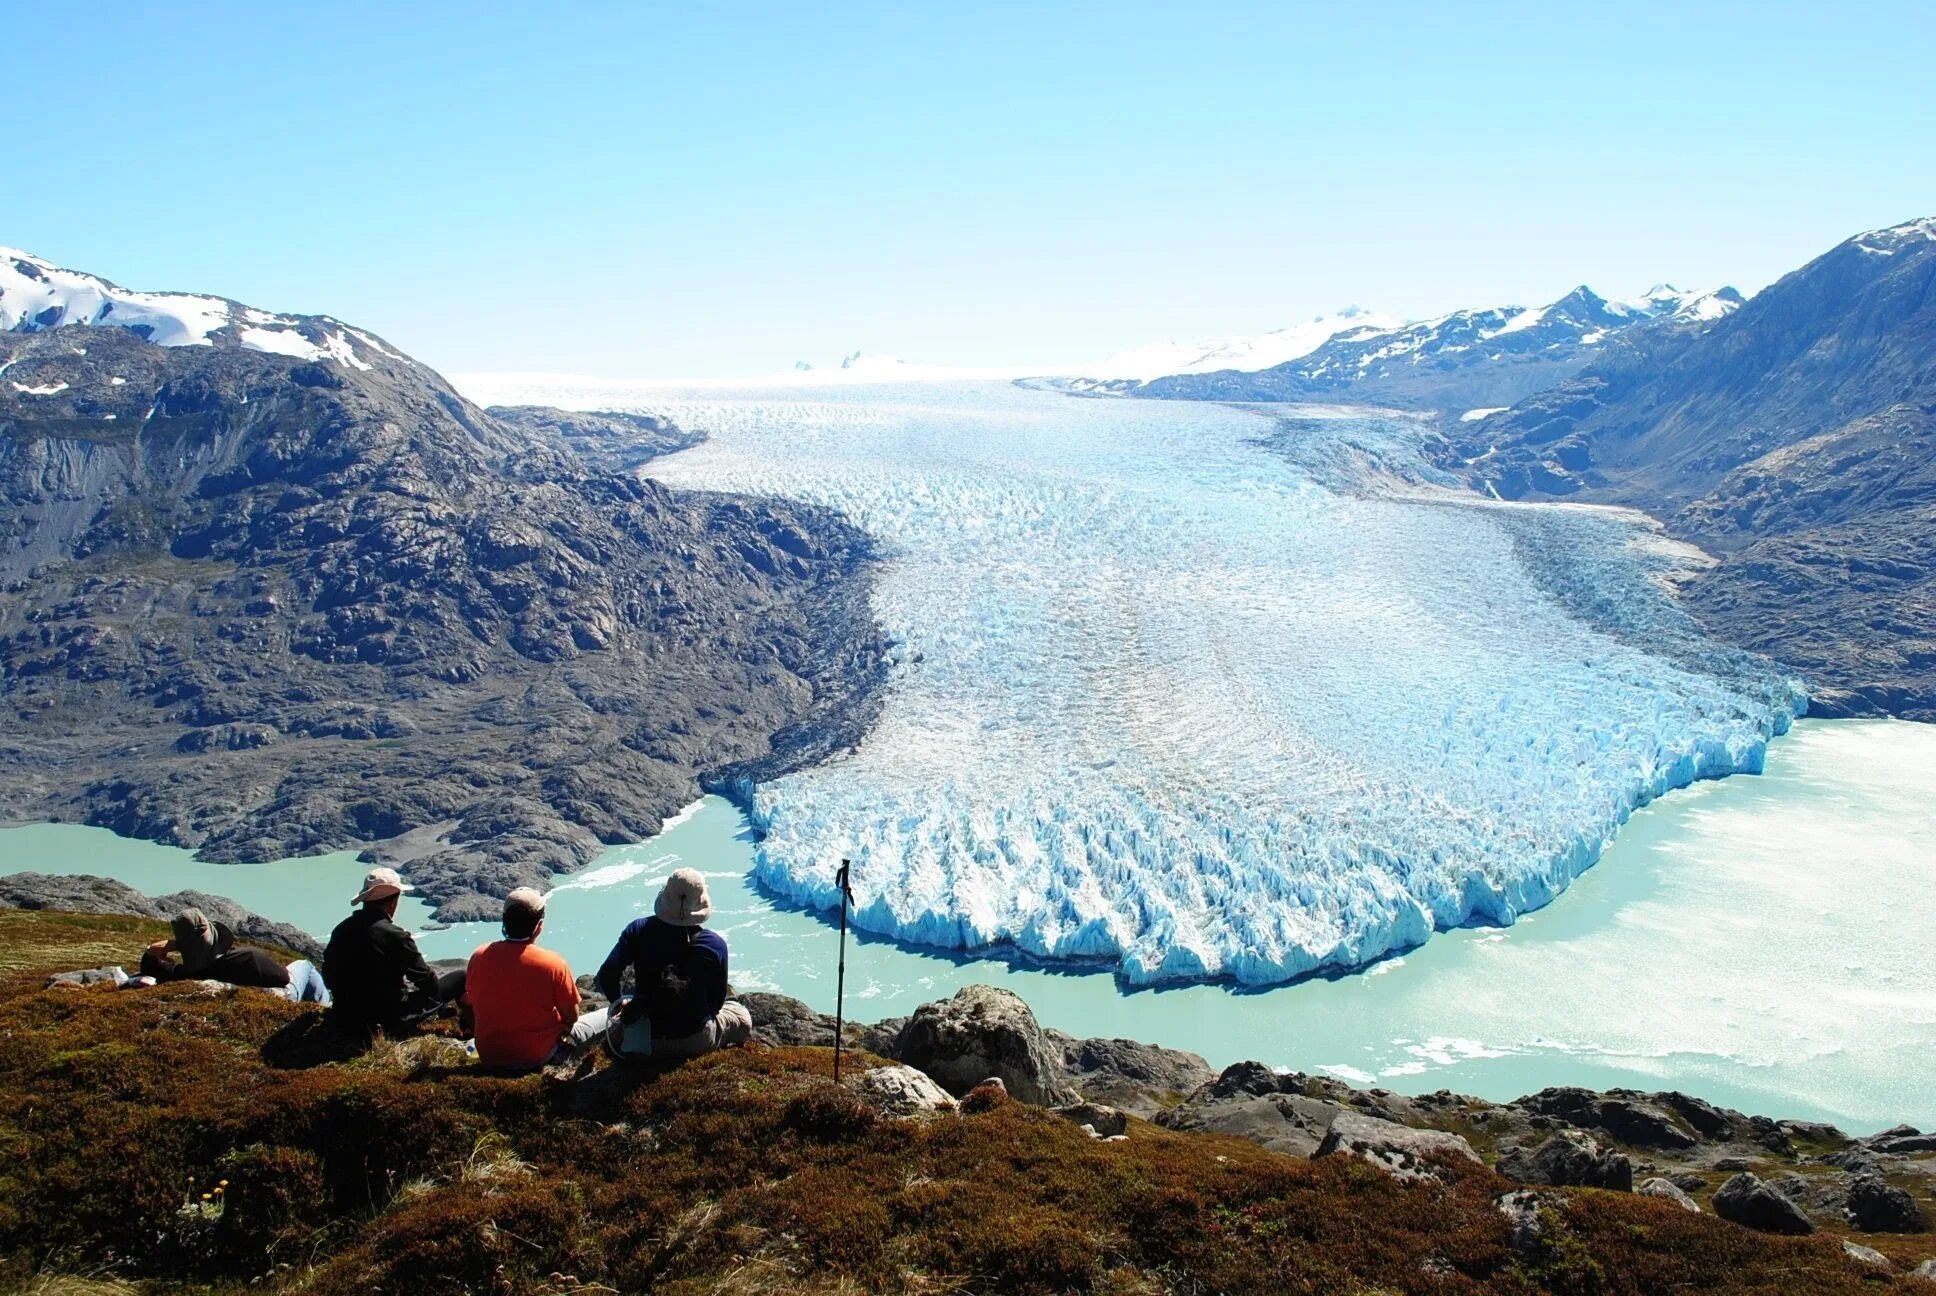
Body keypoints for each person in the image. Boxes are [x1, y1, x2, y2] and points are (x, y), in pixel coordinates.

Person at [567, 868, 752, 1061]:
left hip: (645, 1039)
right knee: (740, 1013)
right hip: (696, 1038)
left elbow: (607, 974)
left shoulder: (638, 930)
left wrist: (620, 1003)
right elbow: (717, 999)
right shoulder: (715, 944)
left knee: (610, 1020)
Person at [322, 867, 464, 1035]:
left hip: (345, 1016)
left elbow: (329, 978)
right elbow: (429, 985)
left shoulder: (341, 929)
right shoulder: (395, 935)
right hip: (390, 1019)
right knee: (461, 977)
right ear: (392, 902)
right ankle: (469, 1031)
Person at [463, 888, 580, 1071]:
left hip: (489, 1055)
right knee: (599, 1021)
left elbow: (472, 1002)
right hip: (537, 1055)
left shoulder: (479, 956)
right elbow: (572, 1017)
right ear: (539, 925)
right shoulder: (553, 964)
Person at [137, 907, 328, 1001]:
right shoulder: (247, 958)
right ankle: (325, 1007)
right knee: (305, 966)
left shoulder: (182, 974)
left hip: (256, 998)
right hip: (280, 997)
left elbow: (150, 964)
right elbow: (283, 978)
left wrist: (177, 946)